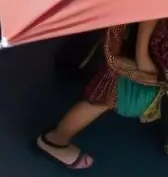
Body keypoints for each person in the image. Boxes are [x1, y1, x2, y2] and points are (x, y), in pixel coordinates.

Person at [37, 20, 168, 169]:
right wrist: (142, 57)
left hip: (153, 63)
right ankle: (55, 140)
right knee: (109, 92)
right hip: (134, 49)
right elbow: (151, 11)